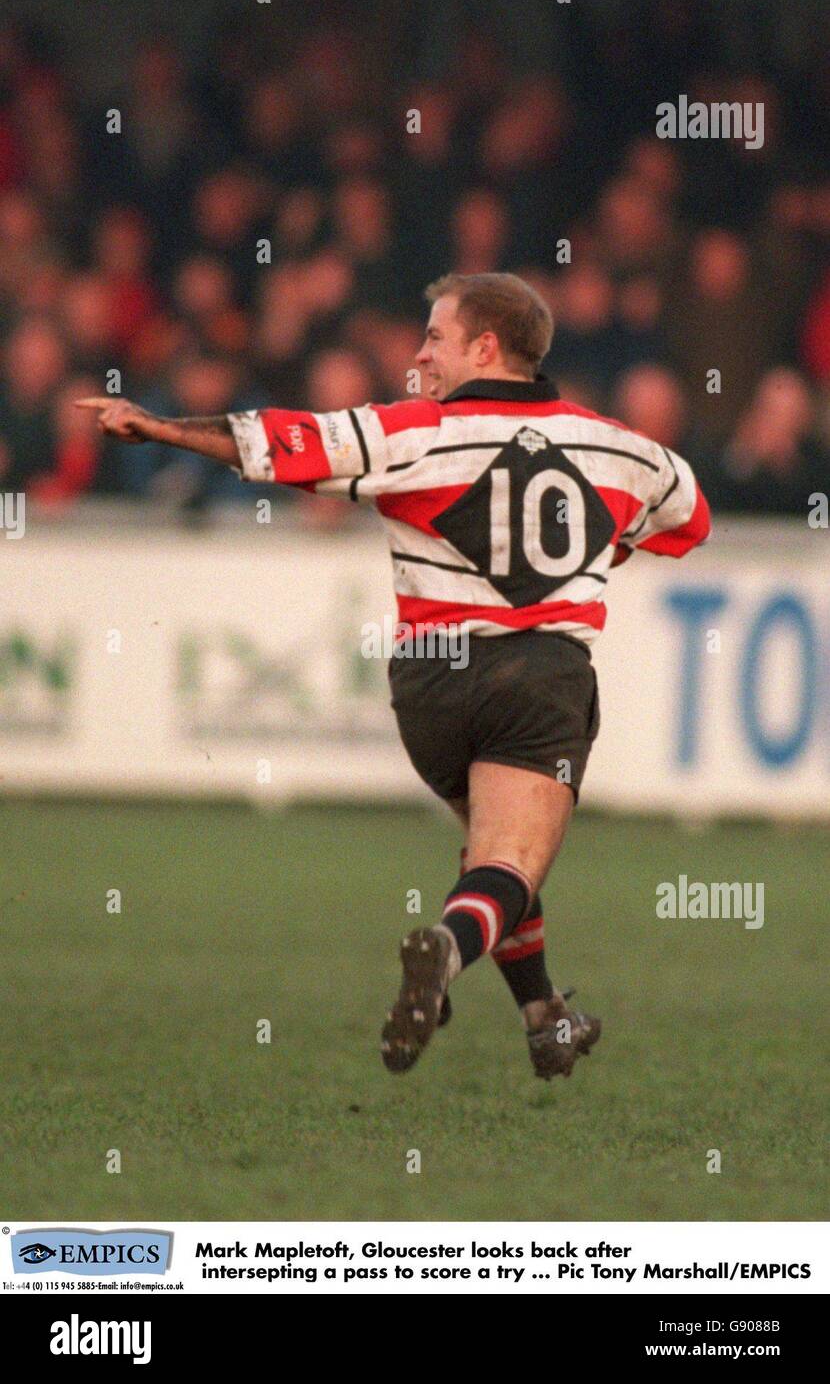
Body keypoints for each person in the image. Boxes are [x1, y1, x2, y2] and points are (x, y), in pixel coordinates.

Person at [77, 272, 711, 1080]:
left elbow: (282, 443)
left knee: (489, 857)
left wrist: (161, 428)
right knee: (508, 869)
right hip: (539, 680)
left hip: (429, 689)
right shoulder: (620, 447)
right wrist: (604, 543)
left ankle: (544, 1017)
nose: (419, 355)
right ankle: (444, 954)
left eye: (435, 338)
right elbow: (689, 519)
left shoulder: (413, 433)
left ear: (486, 348)